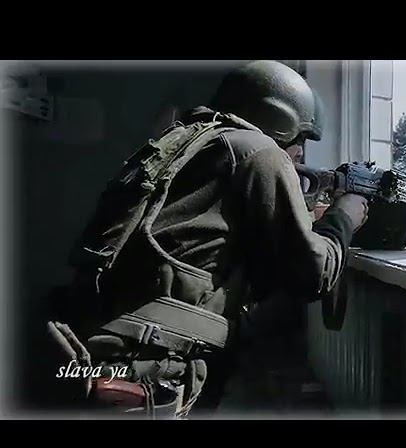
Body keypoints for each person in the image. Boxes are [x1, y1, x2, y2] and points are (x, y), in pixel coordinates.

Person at [45, 60, 368, 417]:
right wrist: (344, 216)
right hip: (147, 365)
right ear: (281, 119)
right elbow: (313, 274)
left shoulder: (188, 141)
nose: (301, 152)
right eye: (301, 139)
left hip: (95, 346)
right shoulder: (259, 150)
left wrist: (305, 219)